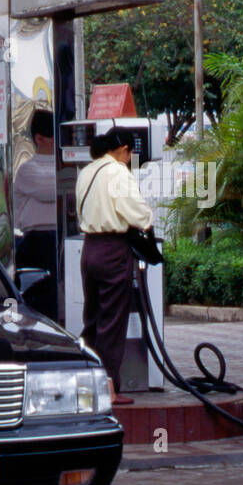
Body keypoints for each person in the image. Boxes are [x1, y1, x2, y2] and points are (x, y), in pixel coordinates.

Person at [75, 127, 152, 406]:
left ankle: (89, 384)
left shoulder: (86, 171)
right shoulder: (119, 172)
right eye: (130, 152)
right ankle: (109, 389)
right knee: (112, 322)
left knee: (92, 319)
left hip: (89, 249)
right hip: (113, 250)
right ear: (123, 149)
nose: (129, 158)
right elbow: (136, 211)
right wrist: (149, 222)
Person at [14, 109, 59, 318]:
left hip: (63, 239)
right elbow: (52, 191)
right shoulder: (27, 170)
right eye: (54, 135)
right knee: (39, 304)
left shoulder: (66, 167)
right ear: (39, 138)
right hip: (37, 242)